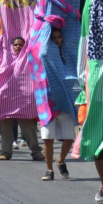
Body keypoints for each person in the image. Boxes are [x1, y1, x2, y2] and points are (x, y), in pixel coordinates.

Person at [40, 27, 75, 180]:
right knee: (48, 137)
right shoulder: (43, 55)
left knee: (69, 138)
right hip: (47, 101)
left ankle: (60, 160)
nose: (56, 40)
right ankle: (49, 170)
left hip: (66, 101)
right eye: (53, 38)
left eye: (59, 37)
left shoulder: (69, 55)